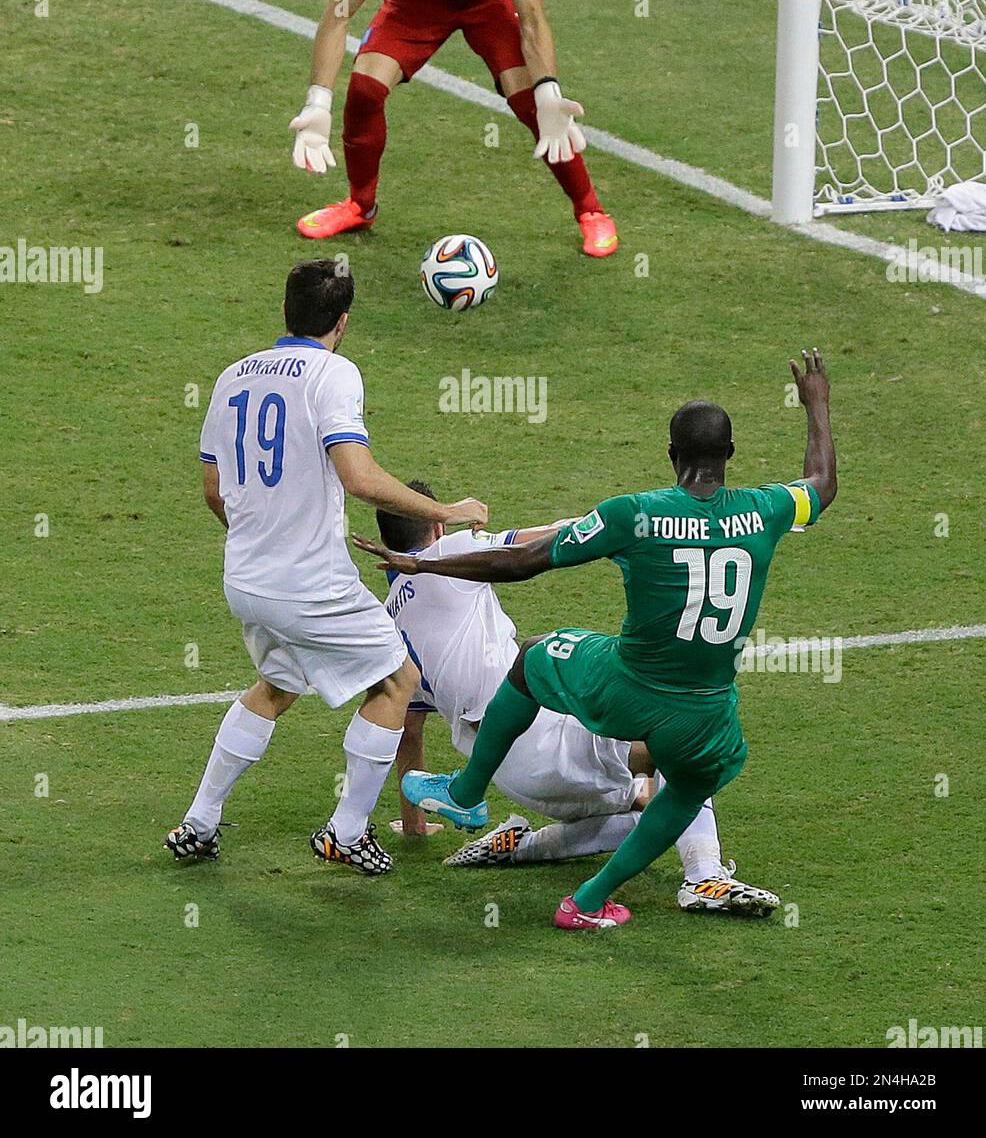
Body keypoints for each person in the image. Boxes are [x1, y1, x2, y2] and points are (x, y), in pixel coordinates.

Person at [357, 350, 836, 928]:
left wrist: (425, 565)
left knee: (533, 658)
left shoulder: (634, 513)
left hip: (626, 686)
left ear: (670, 454)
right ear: (730, 455)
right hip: (708, 708)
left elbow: (524, 562)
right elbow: (821, 483)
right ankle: (602, 895)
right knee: (682, 791)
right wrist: (817, 405)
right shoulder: (767, 509)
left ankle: (467, 791)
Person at [164, 259, 487, 876]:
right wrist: (447, 508)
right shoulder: (333, 373)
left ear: (285, 310)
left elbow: (213, 487)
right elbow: (359, 478)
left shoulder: (233, 377)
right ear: (342, 321)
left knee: (276, 685)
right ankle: (348, 829)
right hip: (308, 582)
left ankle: (200, 822)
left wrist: (260, 537)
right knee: (398, 682)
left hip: (246, 578)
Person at [377, 486, 778, 915]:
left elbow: (407, 734)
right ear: (437, 524)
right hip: (542, 737)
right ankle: (704, 877)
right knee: (689, 750)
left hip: (508, 773)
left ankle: (517, 841)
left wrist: (415, 828)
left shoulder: (390, 619)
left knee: (651, 806)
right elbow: (540, 541)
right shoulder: (451, 553)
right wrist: (617, 526)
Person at [289, 0, 618, 258]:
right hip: (415, 3)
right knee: (365, 90)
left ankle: (591, 212)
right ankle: (359, 205)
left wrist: (548, 89)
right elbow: (338, 12)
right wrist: (318, 101)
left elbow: (533, 18)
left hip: (487, 1)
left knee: (533, 104)